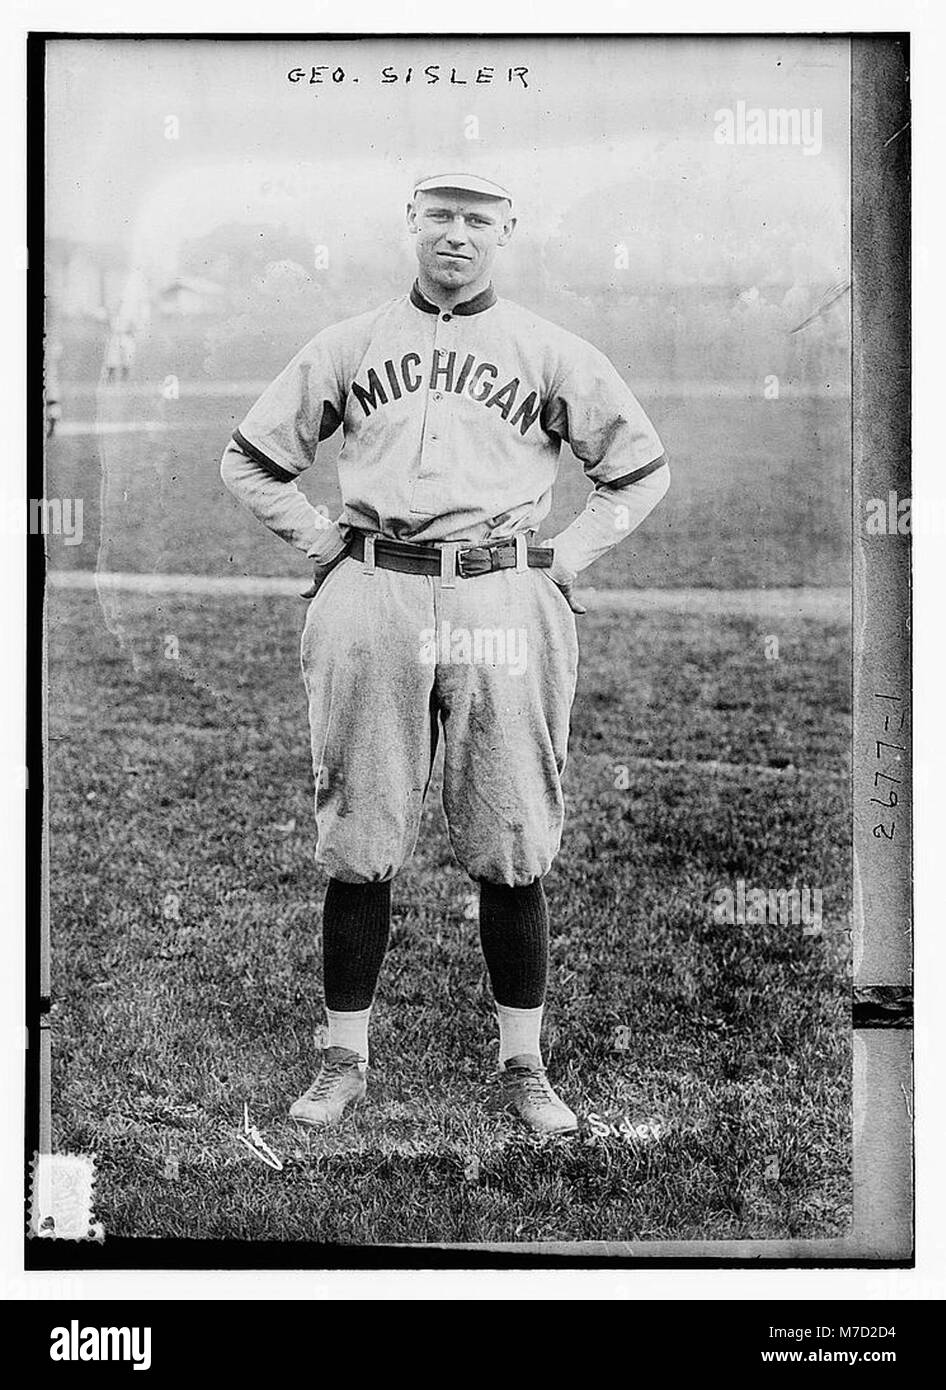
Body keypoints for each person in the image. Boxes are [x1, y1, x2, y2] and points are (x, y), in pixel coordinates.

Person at [220, 172, 670, 1135]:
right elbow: (250, 459)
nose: (456, 235)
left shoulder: (547, 349)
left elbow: (640, 468)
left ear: (506, 229)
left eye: (476, 219)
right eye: (439, 216)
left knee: (511, 841)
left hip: (501, 592)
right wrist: (319, 542)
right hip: (375, 587)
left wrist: (566, 557)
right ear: (411, 225)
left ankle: (525, 1064)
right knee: (360, 839)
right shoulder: (350, 343)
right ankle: (342, 1058)